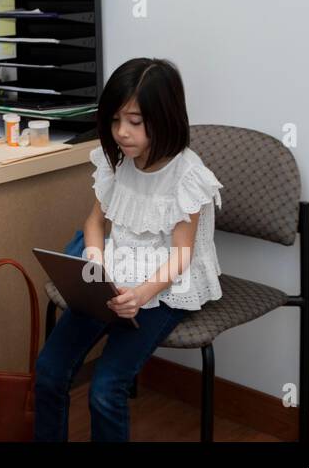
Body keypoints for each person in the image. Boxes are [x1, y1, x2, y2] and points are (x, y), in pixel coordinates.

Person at [33, 58, 224, 441]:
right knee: (49, 371)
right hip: (113, 274)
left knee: (105, 389)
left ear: (165, 116)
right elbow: (94, 222)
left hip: (164, 285)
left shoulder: (187, 174)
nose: (122, 132)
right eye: (115, 120)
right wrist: (95, 261)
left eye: (135, 122)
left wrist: (140, 294)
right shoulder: (117, 161)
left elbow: (182, 254)